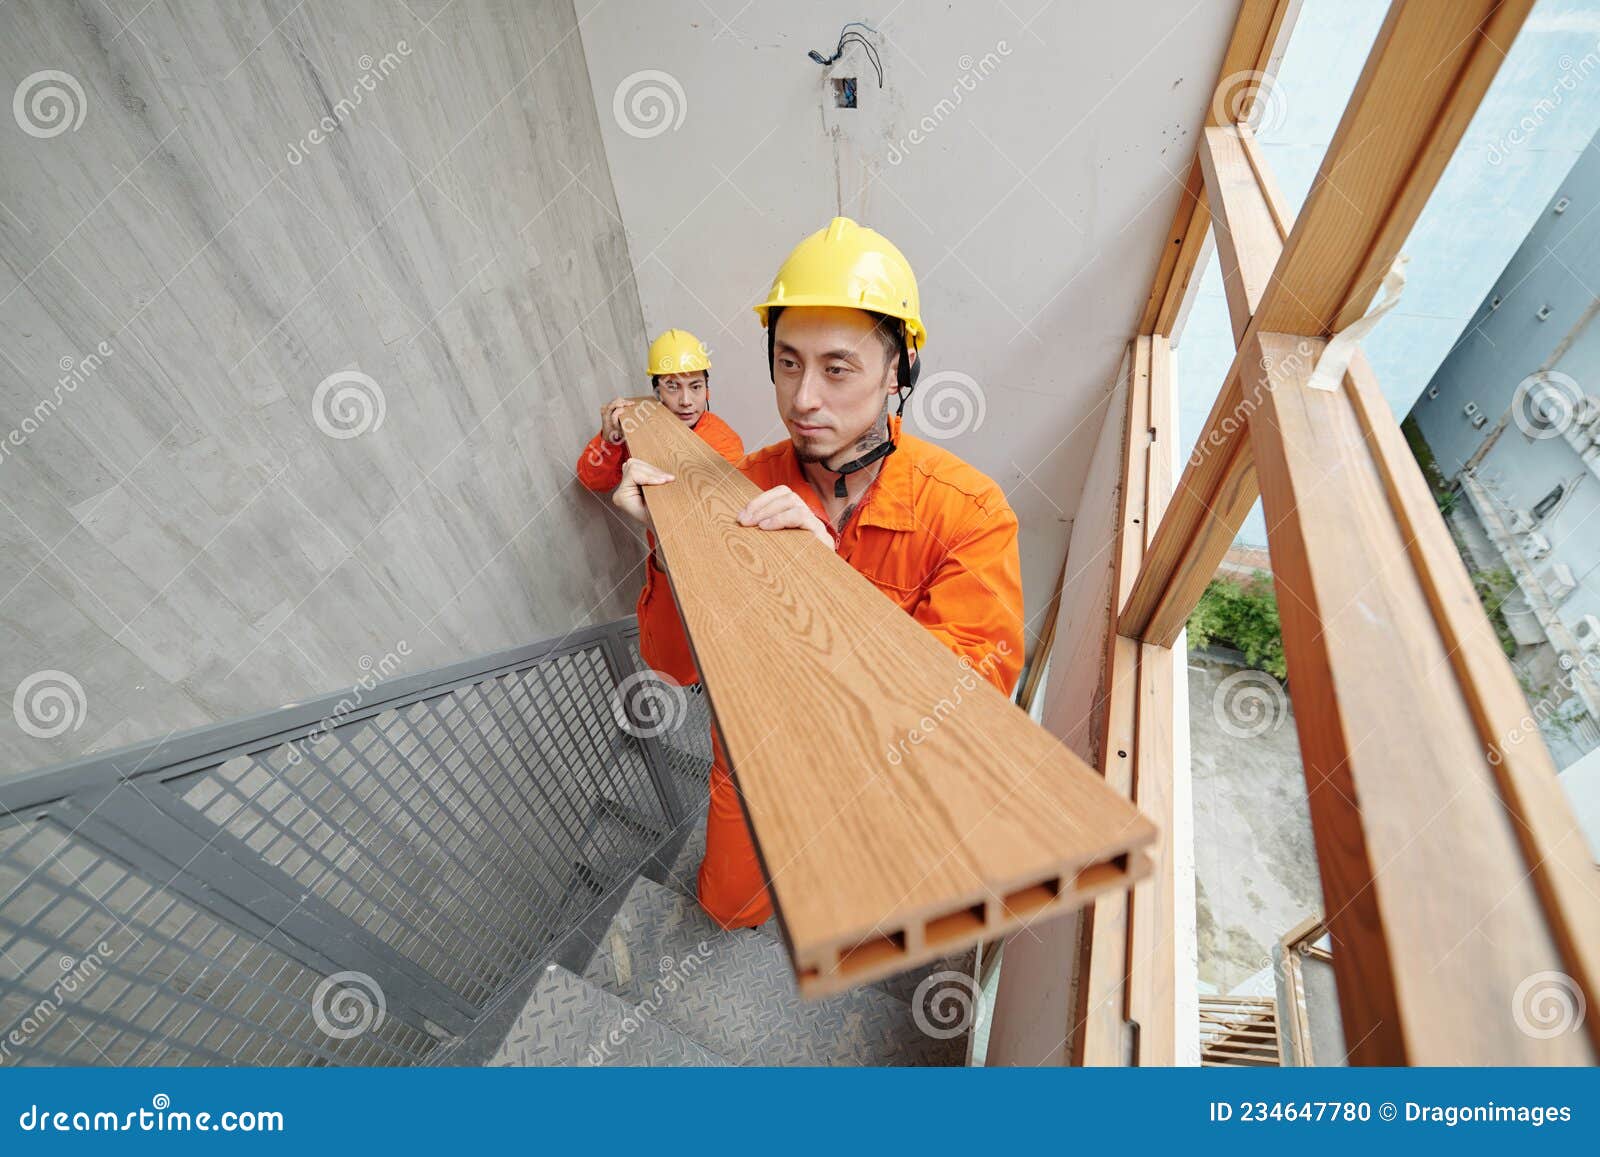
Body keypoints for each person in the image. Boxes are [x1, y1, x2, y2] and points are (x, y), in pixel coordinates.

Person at [611, 217, 1025, 930]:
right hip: (753, 758)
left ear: (899, 369)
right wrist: (664, 542)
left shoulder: (968, 513)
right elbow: (671, 664)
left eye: (838, 368)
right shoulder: (739, 484)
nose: (804, 398)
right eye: (789, 361)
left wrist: (830, 590)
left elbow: (966, 716)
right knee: (727, 907)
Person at [577, 328, 743, 684]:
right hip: (664, 567)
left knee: (711, 652)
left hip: (710, 570)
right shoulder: (641, 427)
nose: (686, 400)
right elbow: (592, 479)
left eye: (695, 387)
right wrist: (610, 439)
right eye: (673, 386)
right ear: (656, 391)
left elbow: (717, 525)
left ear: (707, 390)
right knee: (671, 659)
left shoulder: (724, 442)